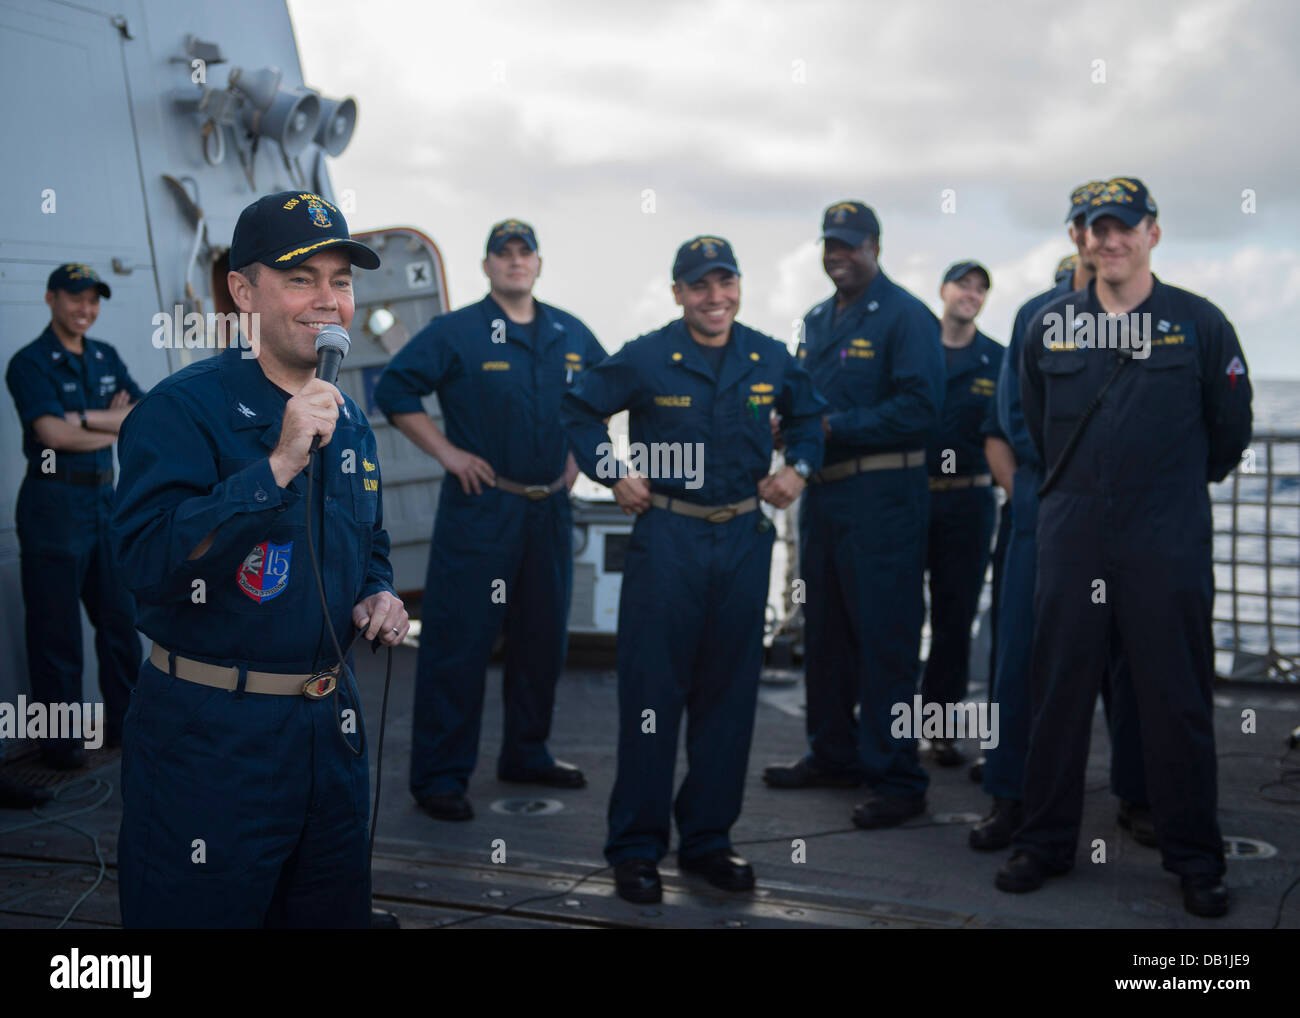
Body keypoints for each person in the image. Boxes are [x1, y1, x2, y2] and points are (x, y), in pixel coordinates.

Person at [110, 190, 408, 928]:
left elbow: (367, 543)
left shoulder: (353, 422)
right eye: (301, 279)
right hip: (212, 739)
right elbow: (147, 563)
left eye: (341, 281)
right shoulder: (180, 411)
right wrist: (274, 465)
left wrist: (378, 593)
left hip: (328, 732)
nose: (327, 301)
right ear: (244, 292)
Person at [997, 177, 1251, 918]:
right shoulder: (1049, 326)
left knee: (1174, 696)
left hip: (1163, 528)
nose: (1110, 240)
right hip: (1072, 527)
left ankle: (1195, 859)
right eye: (1094, 229)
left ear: (1153, 234)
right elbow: (1038, 423)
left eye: (1124, 227)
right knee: (1058, 694)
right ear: (1079, 239)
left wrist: (1163, 493)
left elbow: (1227, 431)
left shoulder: (1199, 324)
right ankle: (1044, 844)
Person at [561, 236, 826, 904]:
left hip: (742, 539)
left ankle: (708, 841)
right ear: (678, 292)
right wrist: (611, 470)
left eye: (725, 283)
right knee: (652, 699)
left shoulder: (768, 356)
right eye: (700, 286)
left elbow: (810, 415)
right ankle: (636, 849)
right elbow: (579, 405)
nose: (715, 298)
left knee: (730, 699)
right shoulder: (649, 355)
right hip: (669, 540)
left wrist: (798, 466)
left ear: (739, 286)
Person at [374, 219, 605, 822]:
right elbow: (395, 390)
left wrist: (580, 456)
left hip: (549, 510)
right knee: (458, 644)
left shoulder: (570, 333)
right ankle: (440, 776)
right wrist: (447, 454)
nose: (514, 261)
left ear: (538, 262)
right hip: (481, 512)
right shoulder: (457, 332)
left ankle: (527, 754)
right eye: (502, 253)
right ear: (487, 266)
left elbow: (602, 398)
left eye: (524, 251)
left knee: (541, 640)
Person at [971, 182, 1150, 852]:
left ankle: (1141, 794)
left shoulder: (1152, 311)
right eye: (1084, 226)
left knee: (1133, 662)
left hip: (1128, 518)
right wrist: (1038, 500)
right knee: (1019, 660)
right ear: (1074, 233)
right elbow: (1008, 423)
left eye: (1108, 227)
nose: (1095, 239)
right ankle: (1012, 798)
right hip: (1045, 512)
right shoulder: (1036, 316)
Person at [763, 201, 943, 830]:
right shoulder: (815, 319)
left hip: (883, 498)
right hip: (825, 499)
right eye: (829, 245)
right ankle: (833, 753)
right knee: (828, 635)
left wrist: (838, 425)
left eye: (850, 245)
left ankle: (899, 778)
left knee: (885, 641)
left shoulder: (907, 317)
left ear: (876, 247)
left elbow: (922, 409)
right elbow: (805, 396)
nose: (838, 255)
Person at [5, 263, 143, 770]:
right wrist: (111, 422)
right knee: (56, 633)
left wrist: (83, 418)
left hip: (105, 503)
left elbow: (140, 417)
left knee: (120, 623)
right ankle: (61, 749)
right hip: (54, 507)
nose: (85, 309)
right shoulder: (30, 362)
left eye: (93, 300)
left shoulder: (106, 355)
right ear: (50, 299)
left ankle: (127, 729)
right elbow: (52, 438)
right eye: (75, 298)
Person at [921, 261, 1003, 767]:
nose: (971, 293)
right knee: (895, 614)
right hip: (909, 495)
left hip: (970, 499)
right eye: (963, 284)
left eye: (980, 287)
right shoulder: (913, 349)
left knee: (954, 616)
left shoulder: (998, 358)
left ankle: (941, 728)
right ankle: (885, 726)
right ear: (944, 290)